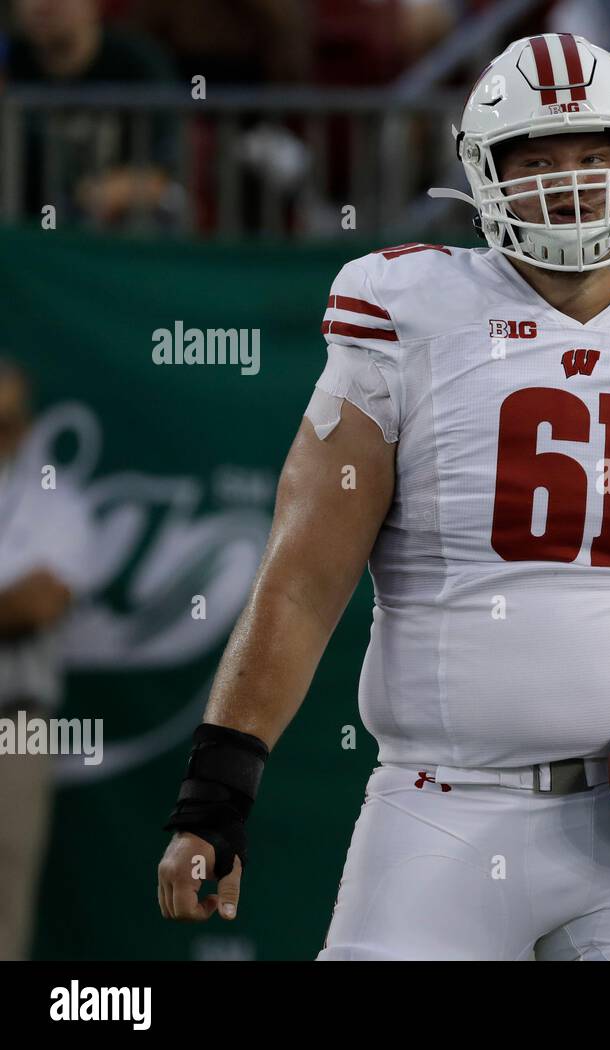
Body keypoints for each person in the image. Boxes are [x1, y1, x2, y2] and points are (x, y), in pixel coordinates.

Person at [155, 32, 610, 961]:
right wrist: (217, 794)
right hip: (442, 810)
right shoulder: (405, 315)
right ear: (484, 174)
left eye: (597, 157)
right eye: (539, 161)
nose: (570, 184)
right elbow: (302, 581)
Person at [0, 358, 96, 960]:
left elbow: (40, 604)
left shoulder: (52, 501)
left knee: (6, 887)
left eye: (6, 420)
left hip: (13, 721)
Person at [7, 0, 179, 227]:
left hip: (124, 229)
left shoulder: (138, 62)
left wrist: (101, 192)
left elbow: (163, 168)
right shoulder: (8, 62)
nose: (42, 5)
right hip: (31, 228)